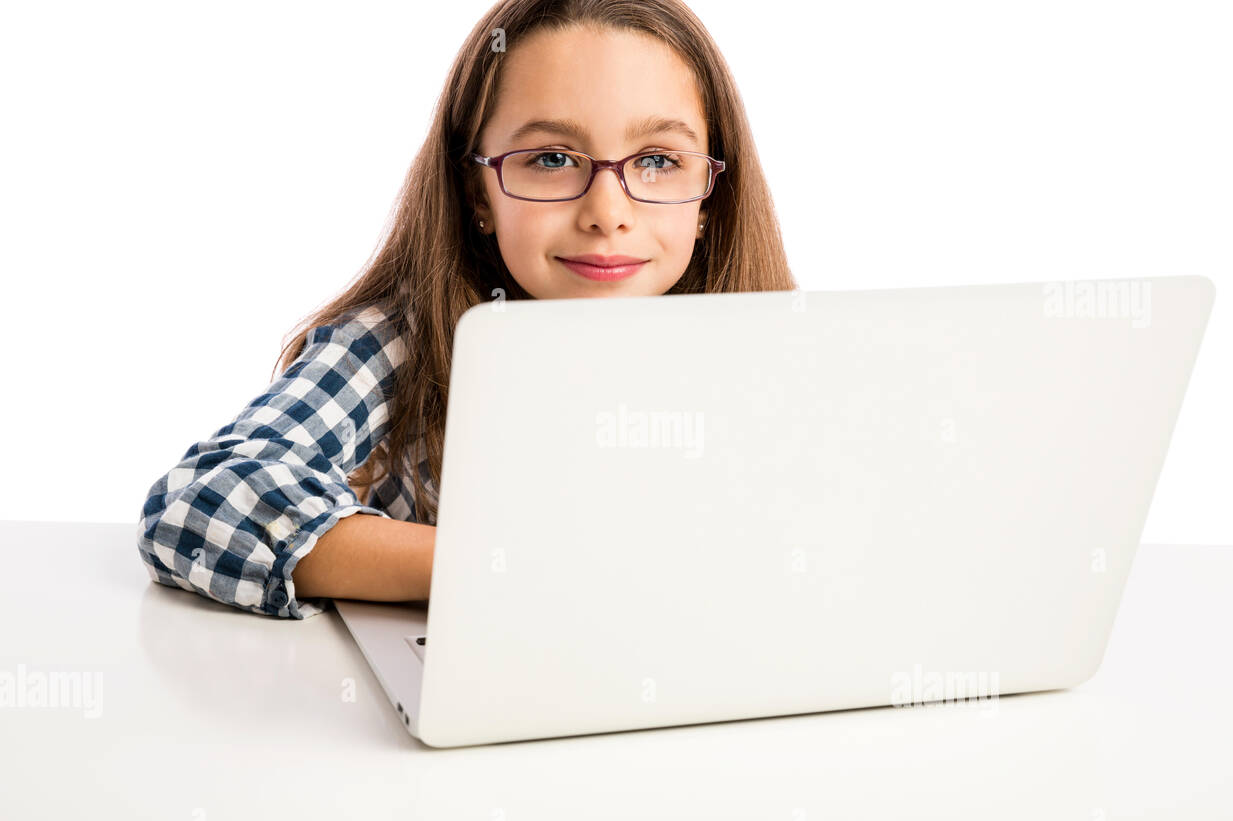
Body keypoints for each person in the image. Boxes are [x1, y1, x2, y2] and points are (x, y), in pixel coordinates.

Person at [136, 0, 797, 619]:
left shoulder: (775, 359)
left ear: (710, 196)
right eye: (551, 159)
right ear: (477, 192)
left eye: (656, 160)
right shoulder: (398, 344)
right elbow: (204, 498)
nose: (607, 214)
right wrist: (515, 569)